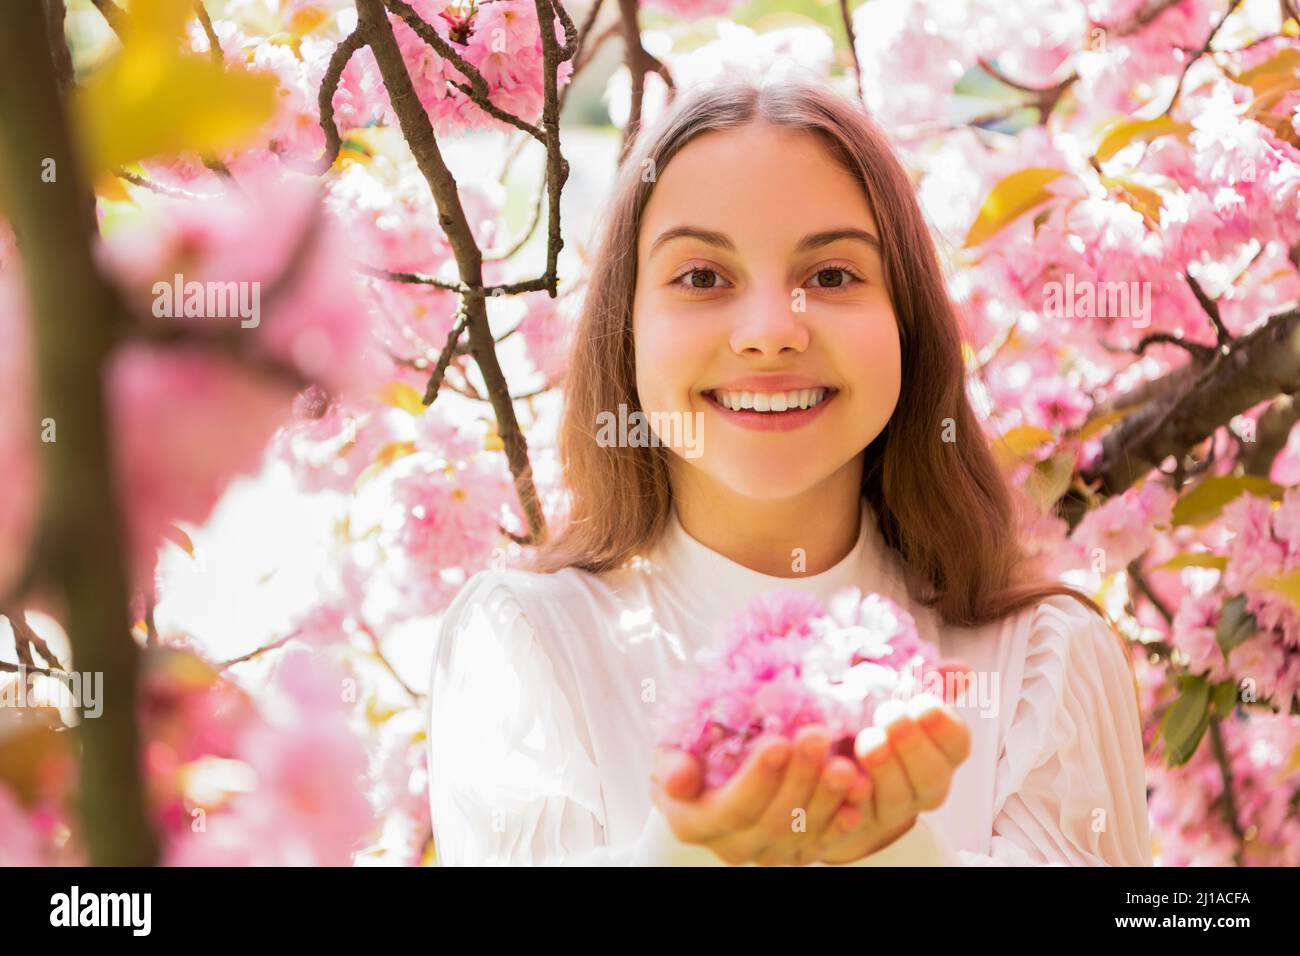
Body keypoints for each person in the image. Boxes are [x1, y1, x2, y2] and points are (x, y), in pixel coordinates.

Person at [426, 71, 1153, 866]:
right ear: (624, 328)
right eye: (702, 277)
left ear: (907, 321)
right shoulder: (526, 648)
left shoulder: (1046, 665)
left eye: (832, 276)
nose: (771, 331)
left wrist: (903, 855)